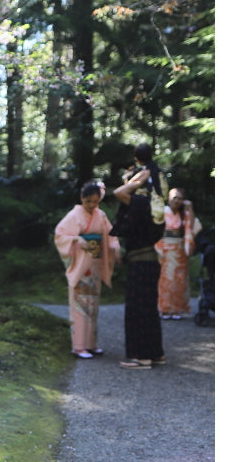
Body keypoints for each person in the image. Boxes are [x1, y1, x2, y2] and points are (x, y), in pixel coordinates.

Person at [111, 144, 168, 369]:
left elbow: (118, 193)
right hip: (150, 262)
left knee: (137, 310)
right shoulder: (157, 207)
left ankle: (141, 357)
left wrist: (139, 178)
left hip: (140, 263)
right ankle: (156, 354)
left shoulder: (141, 203)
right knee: (149, 309)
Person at [54, 181, 121, 358]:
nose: (92, 205)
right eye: (88, 201)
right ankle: (78, 346)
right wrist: (76, 240)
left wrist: (115, 247)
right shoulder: (74, 215)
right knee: (80, 303)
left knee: (93, 305)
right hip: (81, 262)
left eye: (95, 202)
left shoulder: (101, 215)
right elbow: (60, 235)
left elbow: (110, 235)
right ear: (82, 199)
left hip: (96, 263)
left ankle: (91, 344)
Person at [155, 187, 202, 319]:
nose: (177, 200)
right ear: (168, 198)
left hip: (180, 250)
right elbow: (155, 230)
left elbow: (193, 227)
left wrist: (190, 208)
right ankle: (164, 308)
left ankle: (177, 309)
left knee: (179, 281)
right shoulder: (162, 212)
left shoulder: (184, 214)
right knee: (165, 280)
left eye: (180, 198)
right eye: (174, 197)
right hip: (164, 250)